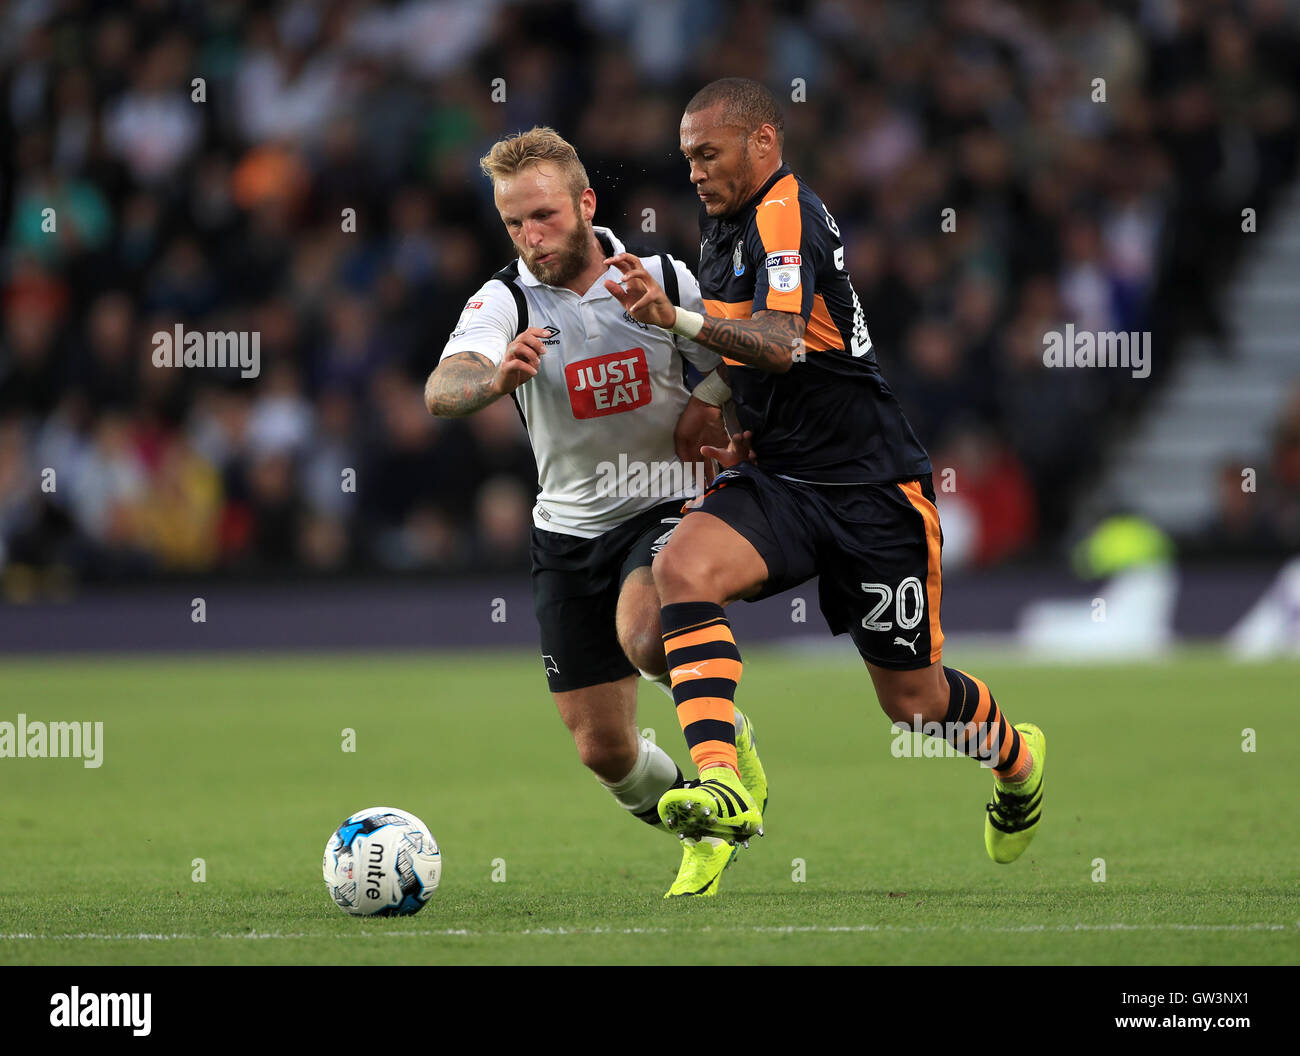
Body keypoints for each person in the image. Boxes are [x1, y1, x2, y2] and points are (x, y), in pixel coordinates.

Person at [604, 79, 1045, 864]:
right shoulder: (723, 228)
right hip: (784, 483)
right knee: (684, 568)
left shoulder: (787, 212)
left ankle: (1016, 762)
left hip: (872, 489)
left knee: (913, 702)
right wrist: (722, 407)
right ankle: (720, 781)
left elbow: (780, 343)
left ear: (764, 143)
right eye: (687, 158)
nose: (695, 172)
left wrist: (672, 318)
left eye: (709, 153)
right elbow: (757, 352)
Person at [425, 127, 768, 897]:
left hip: (668, 506)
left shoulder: (663, 276)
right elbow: (441, 388)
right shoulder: (502, 300)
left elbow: (740, 355)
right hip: (569, 531)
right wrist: (490, 380)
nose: (530, 237)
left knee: (648, 635)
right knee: (602, 751)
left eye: (543, 215)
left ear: (586, 202)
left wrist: (709, 410)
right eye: (514, 224)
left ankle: (726, 757)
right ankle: (710, 824)